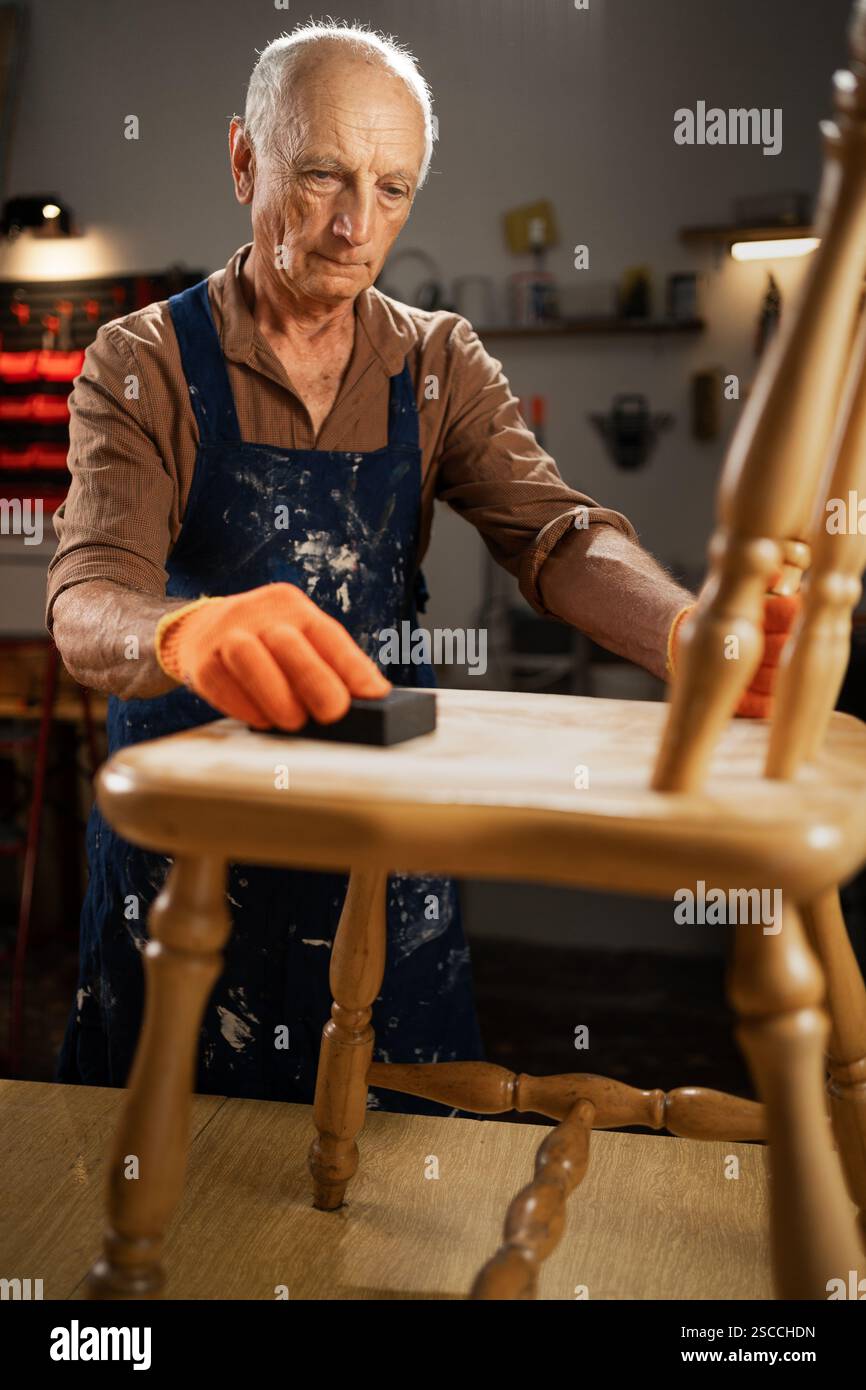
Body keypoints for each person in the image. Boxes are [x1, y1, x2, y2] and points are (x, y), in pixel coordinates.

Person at [47, 21, 789, 1114]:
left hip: (378, 855)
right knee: (178, 1185)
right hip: (190, 866)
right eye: (320, 177)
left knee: (393, 1181)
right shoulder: (141, 362)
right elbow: (84, 601)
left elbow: (556, 533)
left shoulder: (437, 361)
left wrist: (681, 634)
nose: (356, 225)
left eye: (392, 189)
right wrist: (179, 632)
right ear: (244, 160)